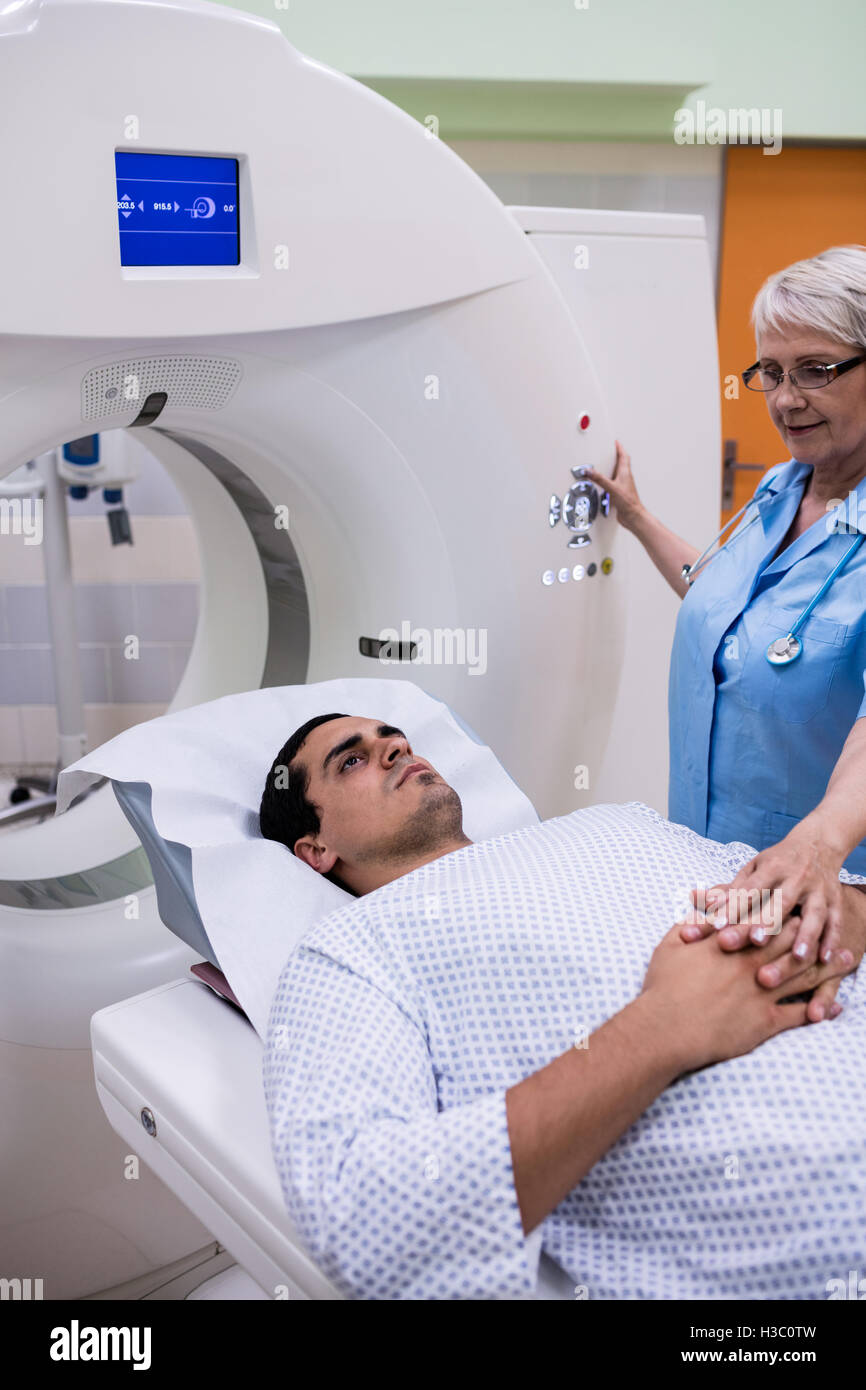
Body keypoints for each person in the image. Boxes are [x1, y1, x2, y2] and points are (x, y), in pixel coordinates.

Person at [260, 714, 866, 1299]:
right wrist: (663, 1027)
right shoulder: (348, 951)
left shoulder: (616, 822)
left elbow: (806, 890)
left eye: (394, 737)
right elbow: (360, 1217)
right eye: (353, 760)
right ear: (314, 850)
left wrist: (847, 913)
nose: (392, 747)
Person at [585, 244, 866, 987]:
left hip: (828, 895)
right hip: (707, 865)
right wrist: (639, 518)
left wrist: (822, 840)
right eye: (771, 373)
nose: (785, 399)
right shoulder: (782, 486)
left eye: (816, 369)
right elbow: (731, 607)